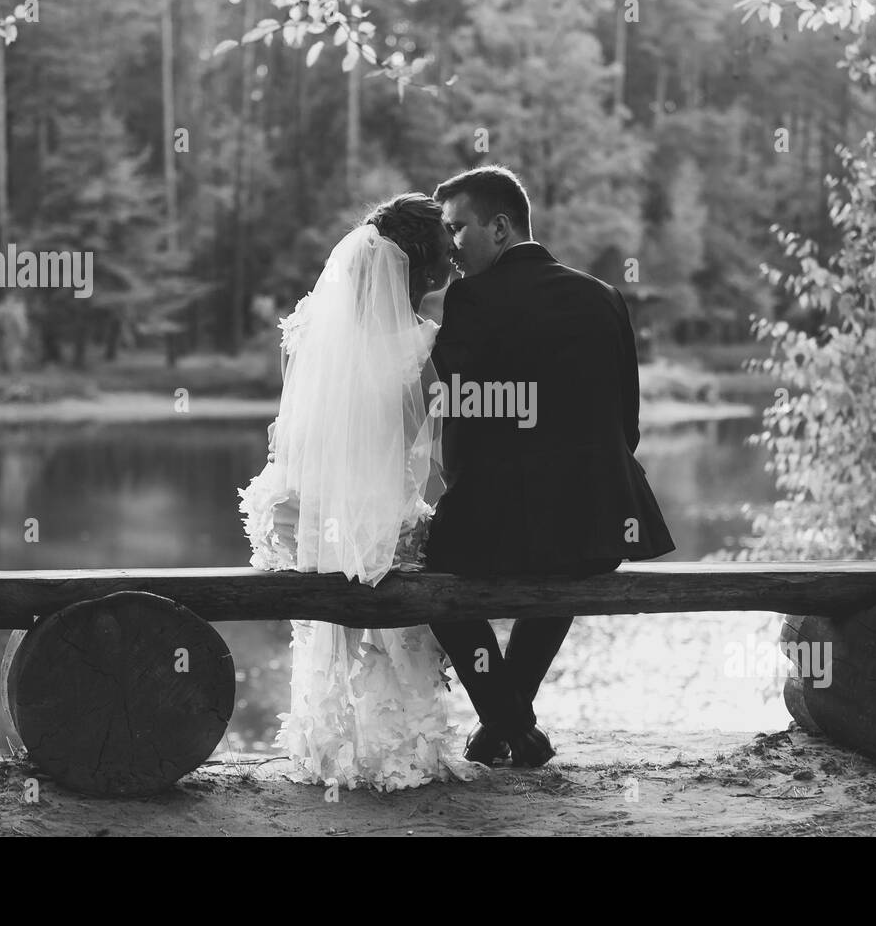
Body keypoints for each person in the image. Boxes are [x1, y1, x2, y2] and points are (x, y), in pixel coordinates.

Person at [424, 165, 676, 767]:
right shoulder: (604, 296)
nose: (449, 248)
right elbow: (628, 427)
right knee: (563, 571)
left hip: (500, 518)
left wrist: (464, 493)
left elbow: (462, 426)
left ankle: (506, 725)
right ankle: (509, 728)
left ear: (502, 227)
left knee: (436, 590)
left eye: (457, 229)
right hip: (600, 521)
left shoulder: (470, 300)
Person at [238, 193, 472, 791]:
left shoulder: (319, 331)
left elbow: (287, 435)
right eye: (447, 253)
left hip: (314, 511)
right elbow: (431, 453)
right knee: (407, 579)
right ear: (420, 267)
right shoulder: (422, 347)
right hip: (382, 520)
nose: (453, 262)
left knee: (333, 622)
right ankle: (395, 753)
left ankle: (328, 748)